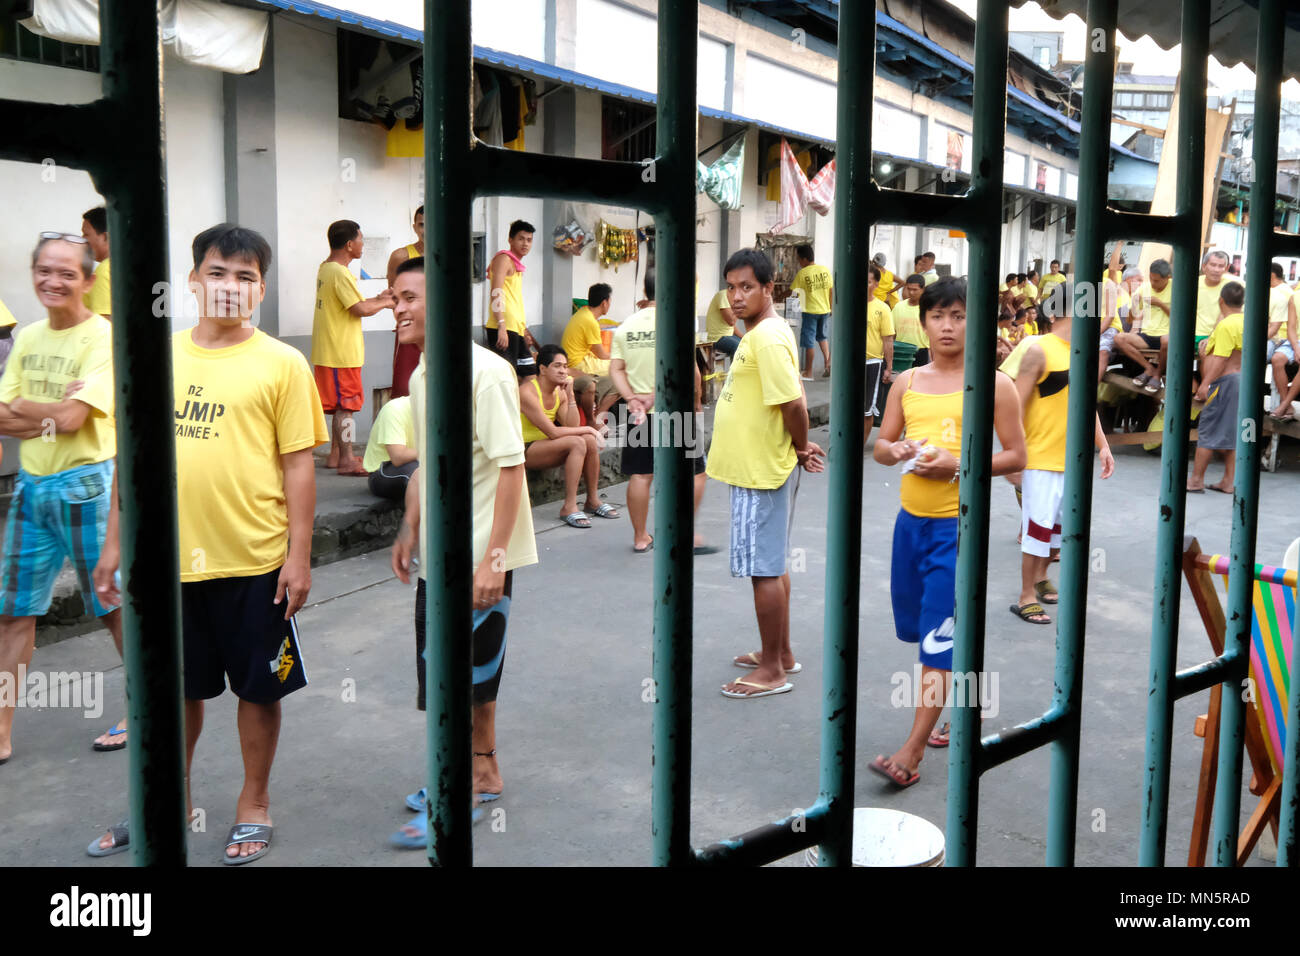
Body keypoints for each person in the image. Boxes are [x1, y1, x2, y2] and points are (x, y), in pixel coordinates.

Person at [91, 223, 328, 863]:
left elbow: (299, 464)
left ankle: (254, 803)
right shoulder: (154, 354)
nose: (229, 287)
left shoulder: (283, 362)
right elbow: (131, 456)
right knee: (174, 690)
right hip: (167, 567)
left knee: (259, 688)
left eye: (245, 277)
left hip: (255, 562)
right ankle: (165, 798)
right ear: (193, 281)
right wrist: (115, 544)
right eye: (217, 273)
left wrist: (299, 557)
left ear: (261, 289)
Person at [390, 256, 538, 845]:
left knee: (467, 673)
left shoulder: (488, 373)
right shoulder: (424, 374)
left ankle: (460, 788)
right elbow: (430, 463)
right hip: (439, 557)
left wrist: (494, 563)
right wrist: (408, 529)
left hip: (481, 557)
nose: (396, 308)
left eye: (408, 297)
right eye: (394, 297)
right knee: (455, 675)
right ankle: (482, 771)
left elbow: (512, 466)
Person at [869, 277, 1026, 788]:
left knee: (937, 641)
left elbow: (1016, 456)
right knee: (928, 630)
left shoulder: (994, 383)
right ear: (923, 322)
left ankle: (911, 752)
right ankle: (966, 702)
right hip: (909, 526)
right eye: (938, 316)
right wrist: (894, 452)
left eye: (959, 315)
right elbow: (882, 444)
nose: (948, 326)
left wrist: (958, 465)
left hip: (957, 531)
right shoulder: (907, 383)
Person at [0, 233, 121, 763]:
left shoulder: (102, 338)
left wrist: (31, 411)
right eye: (44, 271)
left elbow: (74, 421)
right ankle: (0, 731)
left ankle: (145, 710)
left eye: (67, 273)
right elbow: (9, 417)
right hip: (31, 487)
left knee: (113, 606)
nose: (53, 281)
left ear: (89, 281)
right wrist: (49, 410)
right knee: (11, 613)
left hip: (87, 486)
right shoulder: (27, 336)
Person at [707, 248, 825, 699]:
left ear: (768, 289)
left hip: (761, 471)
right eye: (731, 287)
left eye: (746, 287)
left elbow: (793, 402)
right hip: (756, 466)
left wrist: (798, 445)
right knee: (771, 564)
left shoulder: (769, 336)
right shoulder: (759, 334)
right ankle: (781, 652)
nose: (736, 296)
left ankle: (773, 669)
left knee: (763, 570)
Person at [1006, 283, 1115, 626]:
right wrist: (1014, 456)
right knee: (1036, 529)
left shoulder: (1084, 353)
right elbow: (1013, 408)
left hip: (1072, 460)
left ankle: (1039, 580)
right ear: (1057, 313)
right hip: (1039, 458)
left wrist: (1103, 445)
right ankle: (1024, 595)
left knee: (1056, 529)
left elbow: (1086, 406)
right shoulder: (1038, 350)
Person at [609, 271, 715, 556]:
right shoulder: (676, 321)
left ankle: (641, 537)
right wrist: (696, 401)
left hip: (639, 414)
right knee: (696, 473)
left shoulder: (626, 326)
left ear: (647, 289)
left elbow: (615, 369)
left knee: (642, 475)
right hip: (676, 412)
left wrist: (632, 398)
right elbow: (690, 370)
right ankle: (685, 531)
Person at [311, 219, 396, 476]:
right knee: (346, 407)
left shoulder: (326, 268)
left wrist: (379, 298)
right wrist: (386, 303)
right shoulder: (340, 272)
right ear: (349, 244)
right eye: (360, 240)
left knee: (340, 405)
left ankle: (336, 456)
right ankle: (347, 459)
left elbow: (351, 302)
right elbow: (359, 309)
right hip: (340, 352)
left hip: (330, 349)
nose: (362, 245)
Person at [520, 344, 615, 529]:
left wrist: (570, 396)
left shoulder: (559, 392)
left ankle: (592, 501)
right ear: (542, 369)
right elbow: (553, 432)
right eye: (557, 366)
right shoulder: (527, 392)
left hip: (545, 446)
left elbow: (571, 425)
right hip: (524, 448)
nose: (564, 371)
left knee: (586, 441)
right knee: (580, 440)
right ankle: (569, 507)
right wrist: (590, 429)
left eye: (565, 366)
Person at [1188, 281, 1246, 493]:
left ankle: (1196, 480)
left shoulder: (1226, 325)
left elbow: (1220, 359)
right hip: (1242, 381)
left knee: (1208, 430)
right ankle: (1228, 481)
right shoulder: (1249, 321)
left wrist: (1204, 384)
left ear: (1221, 300)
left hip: (1225, 382)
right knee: (1231, 433)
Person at [486, 220, 538, 380]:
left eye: (529, 240)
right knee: (507, 378)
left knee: (530, 375)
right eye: (521, 239)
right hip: (503, 327)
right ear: (510, 240)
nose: (525, 244)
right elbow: (496, 291)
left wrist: (523, 328)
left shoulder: (517, 265)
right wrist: (501, 325)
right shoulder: (504, 259)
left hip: (515, 328)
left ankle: (520, 406)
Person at [563, 283, 621, 424]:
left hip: (577, 359)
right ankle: (599, 416)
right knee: (624, 371)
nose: (609, 304)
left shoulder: (583, 313)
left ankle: (599, 416)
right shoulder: (590, 321)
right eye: (610, 301)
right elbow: (602, 355)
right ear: (604, 303)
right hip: (578, 364)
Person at [1115, 259, 1173, 394]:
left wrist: (1161, 304)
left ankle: (1158, 374)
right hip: (1147, 336)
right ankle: (1149, 369)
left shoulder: (1177, 288)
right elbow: (1130, 319)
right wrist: (1133, 306)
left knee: (1166, 340)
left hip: (1167, 336)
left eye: (1157, 281)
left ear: (1168, 278)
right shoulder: (1145, 287)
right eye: (1151, 279)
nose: (1153, 283)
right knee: (1119, 338)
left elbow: (1181, 318)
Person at [386, 205, 425, 398]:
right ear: (414, 227)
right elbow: (393, 294)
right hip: (410, 328)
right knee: (404, 388)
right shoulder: (401, 256)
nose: (426, 230)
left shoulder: (449, 256)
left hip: (439, 333)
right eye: (421, 225)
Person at [863, 263, 896, 447]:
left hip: (873, 363)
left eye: (868, 281)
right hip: (850, 364)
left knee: (867, 409)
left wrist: (888, 367)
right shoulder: (850, 304)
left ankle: (858, 446)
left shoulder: (882, 308)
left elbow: (888, 340)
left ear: (876, 284)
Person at [363, 395, 417, 501]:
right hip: (384, 470)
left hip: (418, 462)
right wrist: (433, 451)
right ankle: (411, 518)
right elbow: (398, 456)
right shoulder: (395, 409)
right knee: (422, 475)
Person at [791, 243, 833, 380]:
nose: (798, 262)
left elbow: (794, 293)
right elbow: (831, 290)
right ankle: (828, 364)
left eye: (798, 259)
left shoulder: (802, 273)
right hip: (825, 310)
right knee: (822, 337)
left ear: (803, 259)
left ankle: (808, 373)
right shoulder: (825, 270)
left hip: (810, 312)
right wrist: (831, 307)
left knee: (809, 342)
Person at [1270, 273, 1300, 420]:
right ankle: (1287, 405)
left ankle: (1284, 404)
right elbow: (1291, 328)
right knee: (1277, 359)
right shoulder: (1295, 297)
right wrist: (1296, 347)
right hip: (1296, 340)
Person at [1195, 250, 1234, 355]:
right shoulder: (1193, 283)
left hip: (1220, 335)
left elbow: (1226, 314)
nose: (1216, 270)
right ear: (1204, 266)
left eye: (1221, 266)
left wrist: (1212, 337)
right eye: (1213, 265)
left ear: (1226, 268)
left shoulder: (1233, 286)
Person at [890, 273, 929, 373]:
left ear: (923, 289)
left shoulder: (928, 309)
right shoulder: (898, 307)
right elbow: (891, 333)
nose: (911, 292)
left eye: (915, 290)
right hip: (900, 352)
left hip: (921, 352)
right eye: (909, 289)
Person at [81, 206, 111, 320]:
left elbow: (105, 324)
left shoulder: (104, 271)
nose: (83, 240)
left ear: (105, 237)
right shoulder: (123, 267)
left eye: (86, 234)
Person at [704, 286, 742, 357]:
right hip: (717, 338)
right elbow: (731, 321)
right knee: (739, 348)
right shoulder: (723, 296)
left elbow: (731, 326)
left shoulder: (733, 298)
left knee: (746, 345)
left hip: (728, 336)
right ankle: (736, 368)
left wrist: (743, 337)